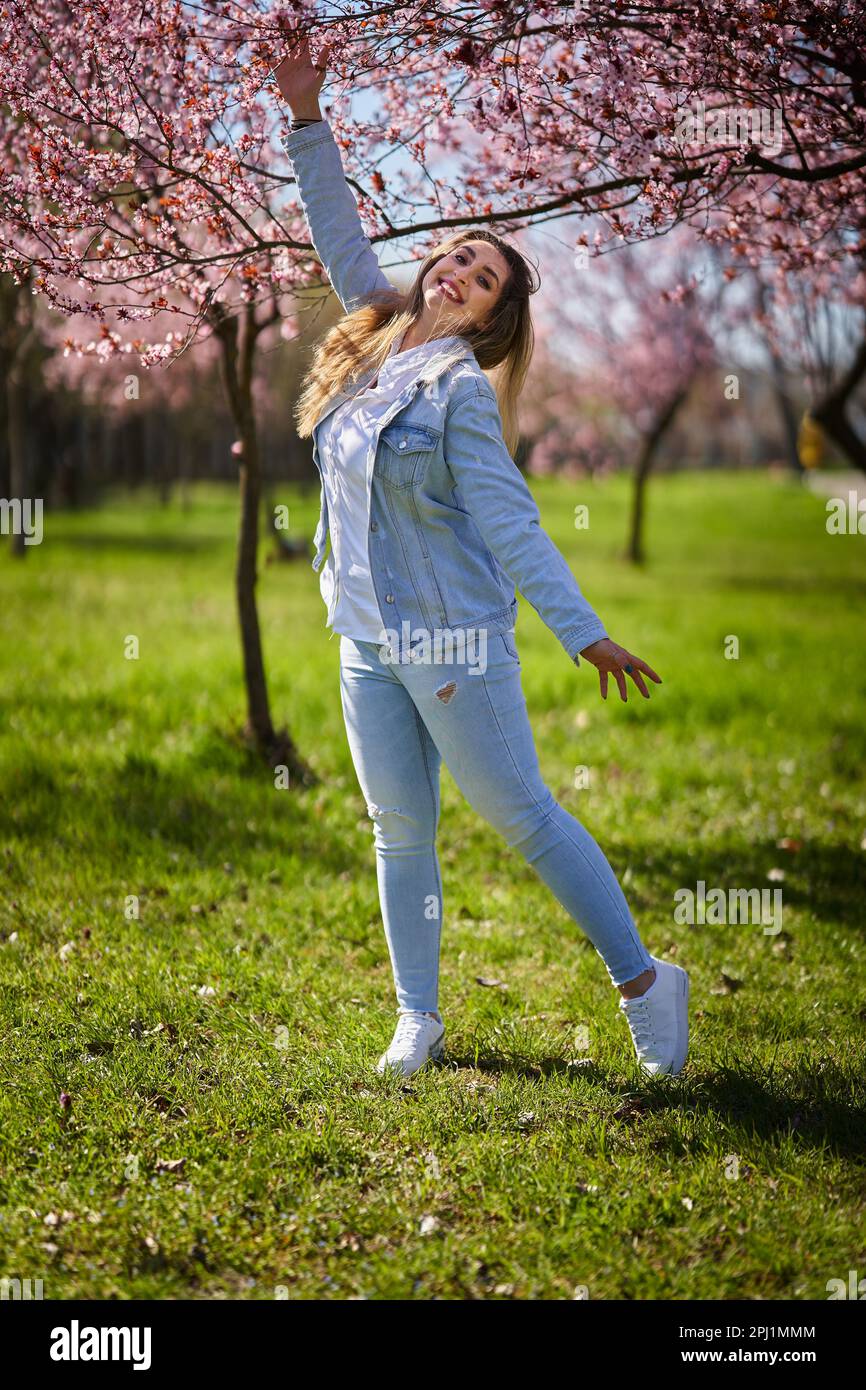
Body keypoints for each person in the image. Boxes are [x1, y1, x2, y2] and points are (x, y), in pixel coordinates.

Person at [273, 33, 689, 1079]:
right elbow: (337, 236)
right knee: (397, 830)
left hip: (453, 642)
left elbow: (511, 524)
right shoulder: (373, 335)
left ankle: (644, 983)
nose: (460, 271)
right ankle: (418, 1016)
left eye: (484, 275)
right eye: (458, 254)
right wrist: (306, 115)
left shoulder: (458, 392)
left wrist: (581, 631)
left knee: (526, 820)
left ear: (495, 317)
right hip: (366, 641)